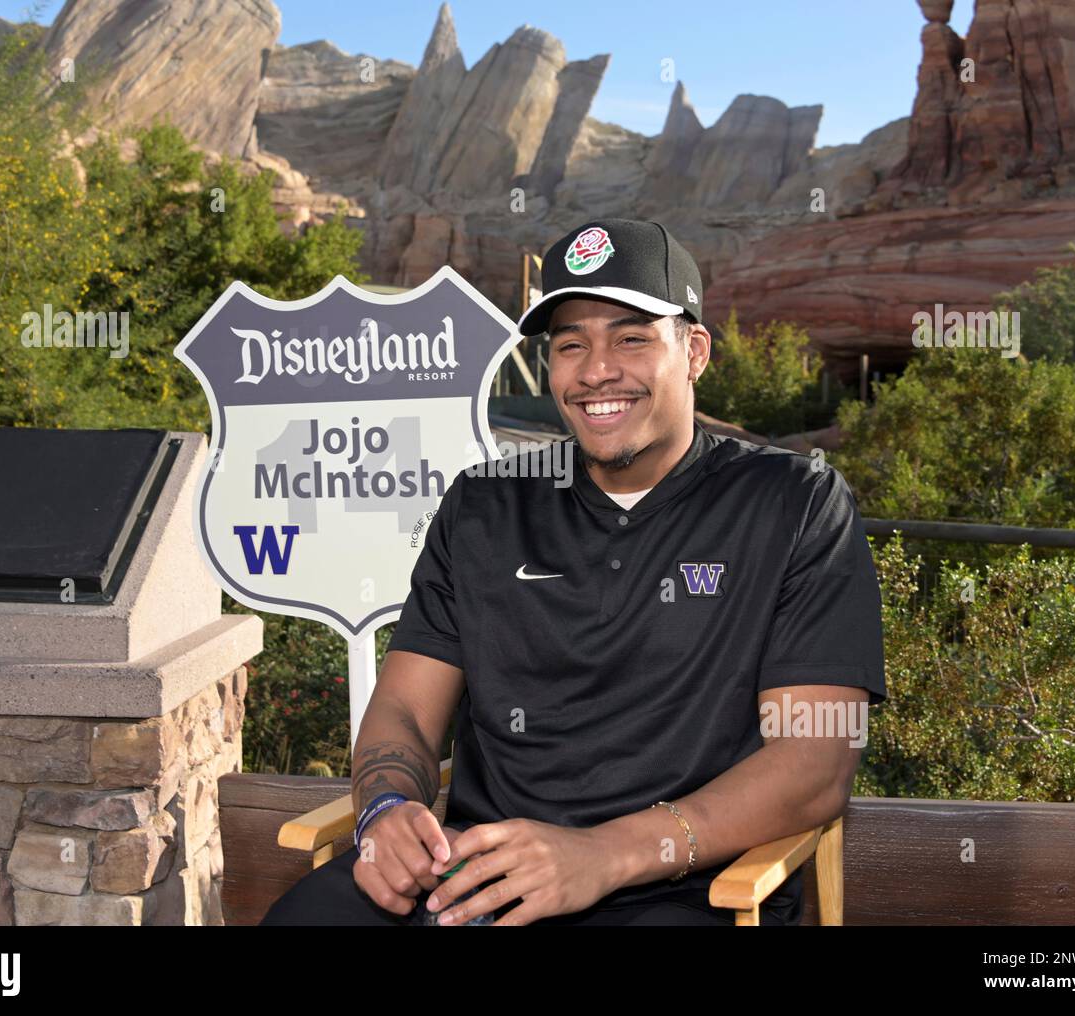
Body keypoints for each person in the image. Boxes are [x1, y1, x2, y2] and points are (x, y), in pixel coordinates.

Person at [259, 218, 887, 927]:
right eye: (570, 345)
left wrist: (602, 855)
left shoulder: (794, 503)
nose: (596, 371)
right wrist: (387, 809)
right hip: (473, 881)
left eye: (631, 338)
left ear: (696, 350)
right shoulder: (483, 506)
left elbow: (815, 764)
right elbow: (405, 707)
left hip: (683, 891)